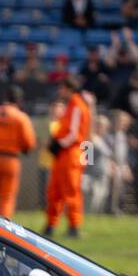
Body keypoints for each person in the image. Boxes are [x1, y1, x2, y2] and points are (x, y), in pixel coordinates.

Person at [44, 77, 92, 238]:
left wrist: (58, 144)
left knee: (70, 191)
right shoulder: (71, 106)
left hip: (70, 154)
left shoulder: (77, 105)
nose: (60, 92)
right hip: (64, 154)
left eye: (62, 88)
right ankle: (50, 224)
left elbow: (74, 134)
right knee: (54, 191)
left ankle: (74, 226)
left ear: (69, 89)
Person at [0, 86, 36, 218]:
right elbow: (29, 142)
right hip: (10, 160)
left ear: (5, 98)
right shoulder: (21, 118)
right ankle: (3, 228)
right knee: (6, 198)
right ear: (19, 101)